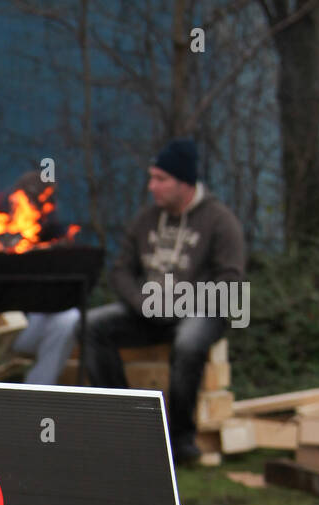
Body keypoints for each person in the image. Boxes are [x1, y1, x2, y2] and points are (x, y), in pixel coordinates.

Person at [84, 138, 246, 464]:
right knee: (91, 325)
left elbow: (231, 282)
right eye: (151, 177)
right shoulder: (146, 219)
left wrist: (180, 303)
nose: (151, 186)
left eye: (160, 179)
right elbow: (120, 272)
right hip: (149, 310)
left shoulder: (219, 220)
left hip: (202, 311)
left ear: (184, 183)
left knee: (187, 344)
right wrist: (141, 302)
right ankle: (127, 425)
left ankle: (180, 441)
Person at [2, 170, 83, 386]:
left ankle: (38, 393)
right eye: (29, 200)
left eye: (43, 202)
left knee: (69, 319)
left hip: (32, 323)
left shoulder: (55, 236)